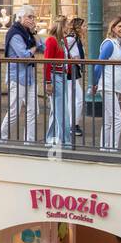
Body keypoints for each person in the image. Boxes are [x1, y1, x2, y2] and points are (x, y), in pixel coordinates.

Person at [0, 6, 43, 143]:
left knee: (33, 110)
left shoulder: (28, 33)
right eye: (29, 17)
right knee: (14, 111)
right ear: (21, 18)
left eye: (33, 17)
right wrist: (34, 47)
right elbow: (24, 55)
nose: (32, 20)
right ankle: (2, 138)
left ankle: (29, 141)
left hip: (29, 78)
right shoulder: (15, 34)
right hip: (17, 77)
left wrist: (35, 33)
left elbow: (42, 46)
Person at [92, 16, 121, 150]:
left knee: (108, 120)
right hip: (107, 85)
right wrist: (94, 83)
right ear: (113, 28)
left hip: (115, 86)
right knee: (118, 119)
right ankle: (112, 149)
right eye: (120, 26)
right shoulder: (109, 44)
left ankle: (104, 147)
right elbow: (98, 64)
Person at [43, 15, 73, 148]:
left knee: (56, 110)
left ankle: (52, 138)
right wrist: (48, 82)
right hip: (55, 76)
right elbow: (47, 63)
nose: (69, 27)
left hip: (62, 76)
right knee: (61, 110)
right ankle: (65, 141)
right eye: (67, 24)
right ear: (62, 25)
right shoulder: (51, 40)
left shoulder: (63, 41)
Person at [65, 17, 87, 138]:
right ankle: (73, 124)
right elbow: (61, 49)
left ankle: (72, 123)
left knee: (73, 98)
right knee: (78, 98)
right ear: (78, 27)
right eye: (84, 26)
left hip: (75, 69)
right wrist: (69, 59)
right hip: (70, 70)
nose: (86, 28)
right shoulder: (71, 38)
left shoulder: (77, 39)